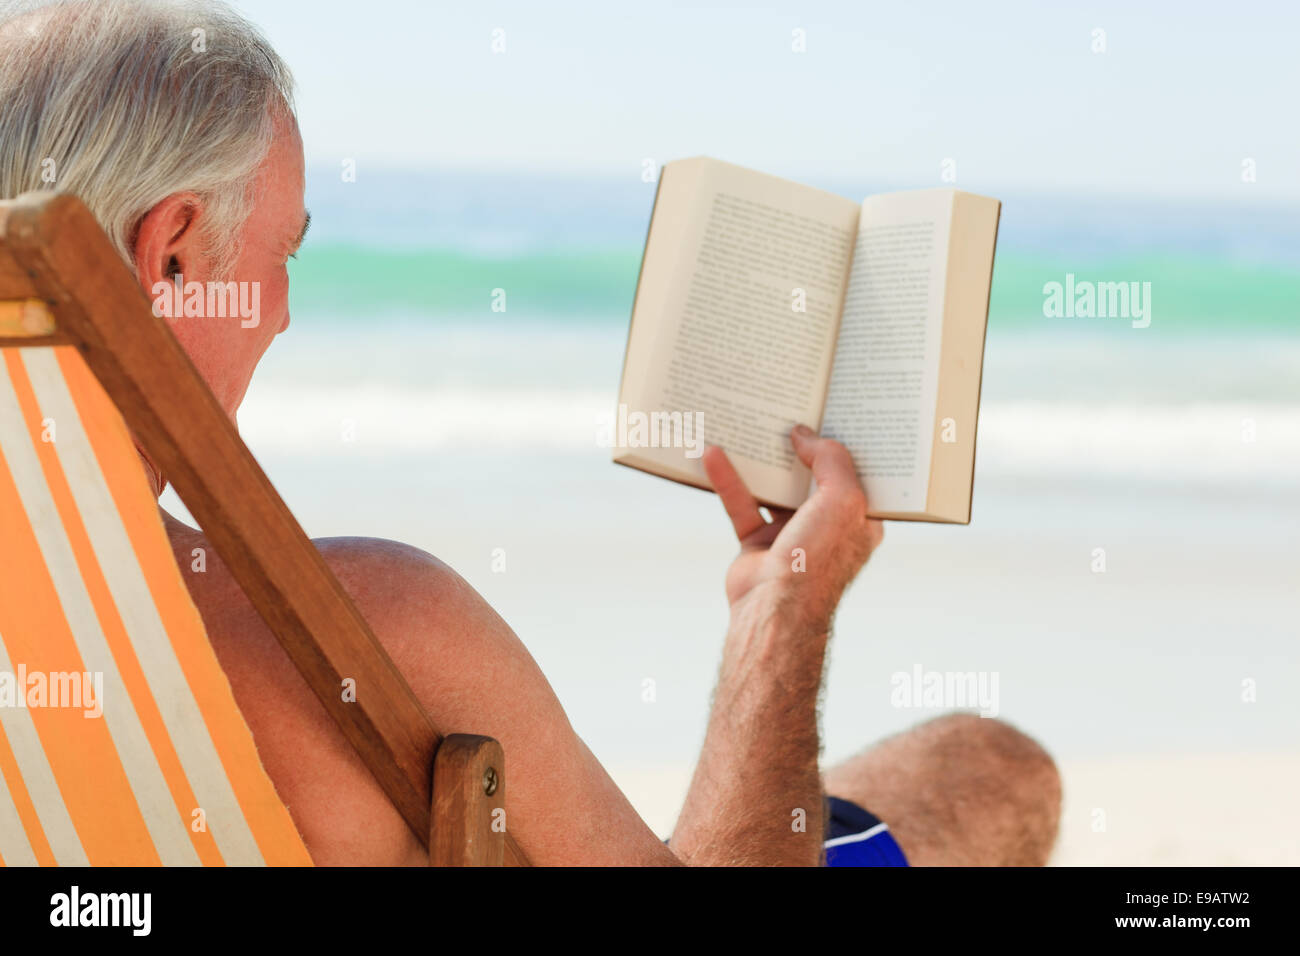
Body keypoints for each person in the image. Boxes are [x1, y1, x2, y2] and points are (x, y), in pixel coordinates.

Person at [0, 0, 1061, 866]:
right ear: (175, 253)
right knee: (992, 764)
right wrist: (782, 614)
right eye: (286, 253)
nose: (281, 311)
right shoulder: (374, 635)